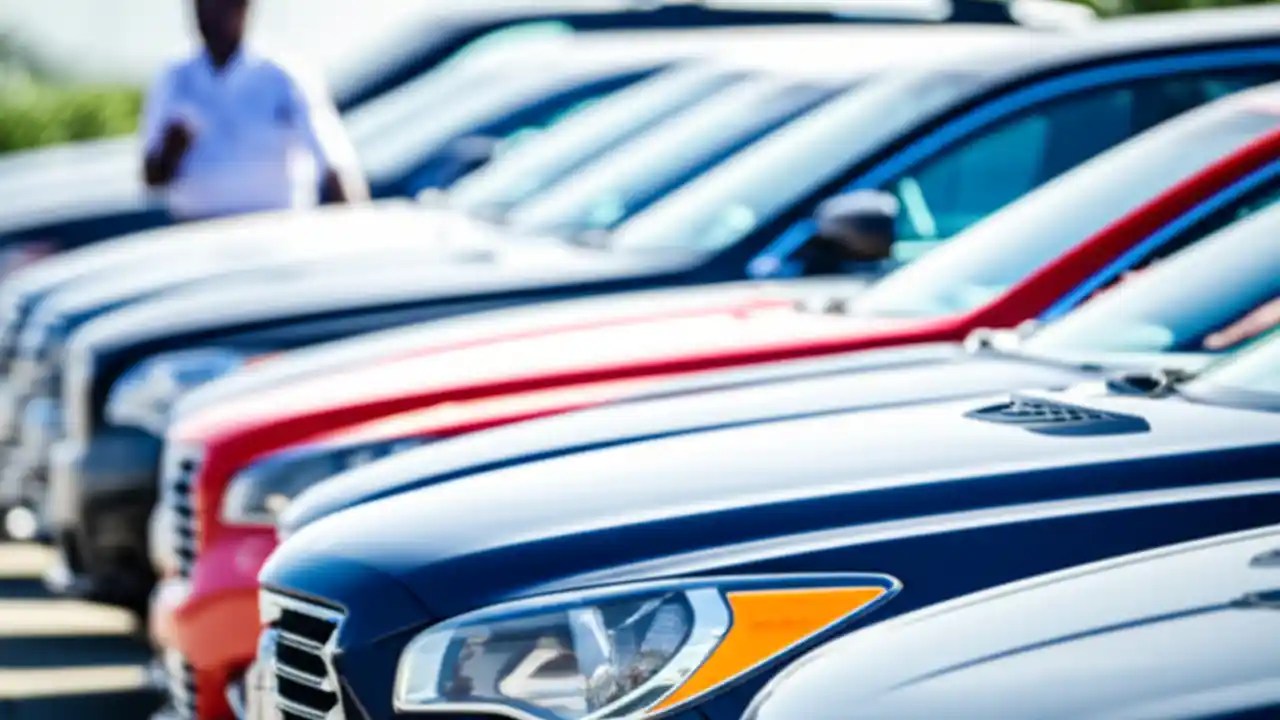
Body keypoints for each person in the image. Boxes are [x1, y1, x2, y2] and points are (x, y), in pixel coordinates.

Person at [142, 0, 368, 221]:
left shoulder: (283, 74)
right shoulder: (176, 76)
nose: (205, 14)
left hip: (274, 232)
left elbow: (335, 165)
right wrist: (172, 149)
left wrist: (354, 230)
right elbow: (151, 177)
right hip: (196, 233)